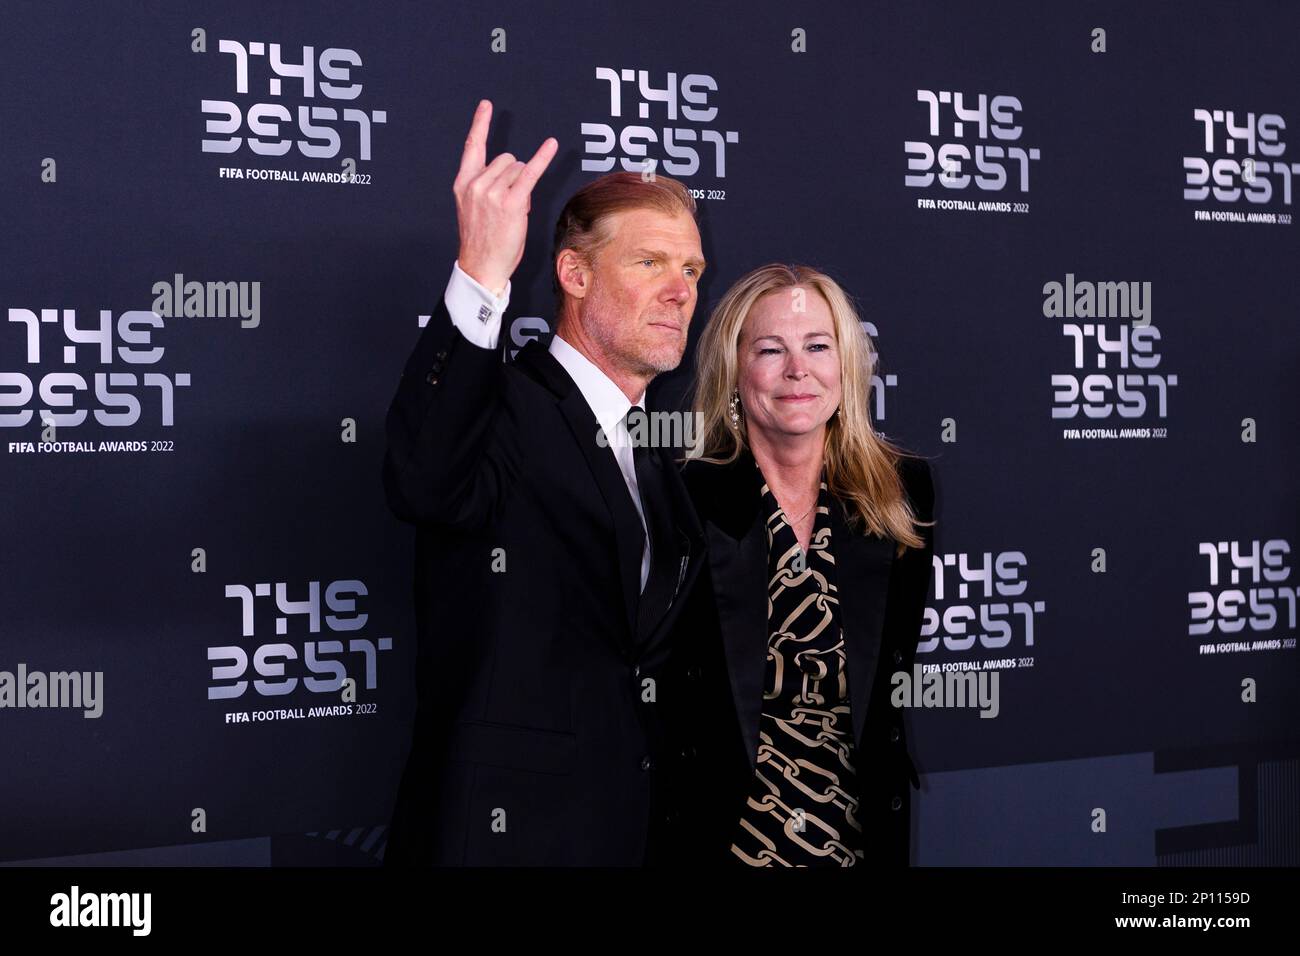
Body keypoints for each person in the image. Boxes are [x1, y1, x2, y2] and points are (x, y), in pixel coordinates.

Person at [381, 100, 709, 865]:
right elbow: (422, 481)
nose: (681, 289)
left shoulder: (664, 454)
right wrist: (480, 270)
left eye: (691, 268)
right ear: (573, 273)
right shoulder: (501, 407)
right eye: (650, 262)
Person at [664, 263, 936, 867]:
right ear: (734, 369)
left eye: (818, 345)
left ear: (847, 363)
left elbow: (886, 681)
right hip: (719, 838)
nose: (797, 370)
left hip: (854, 833)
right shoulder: (684, 494)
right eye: (770, 349)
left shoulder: (900, 491)